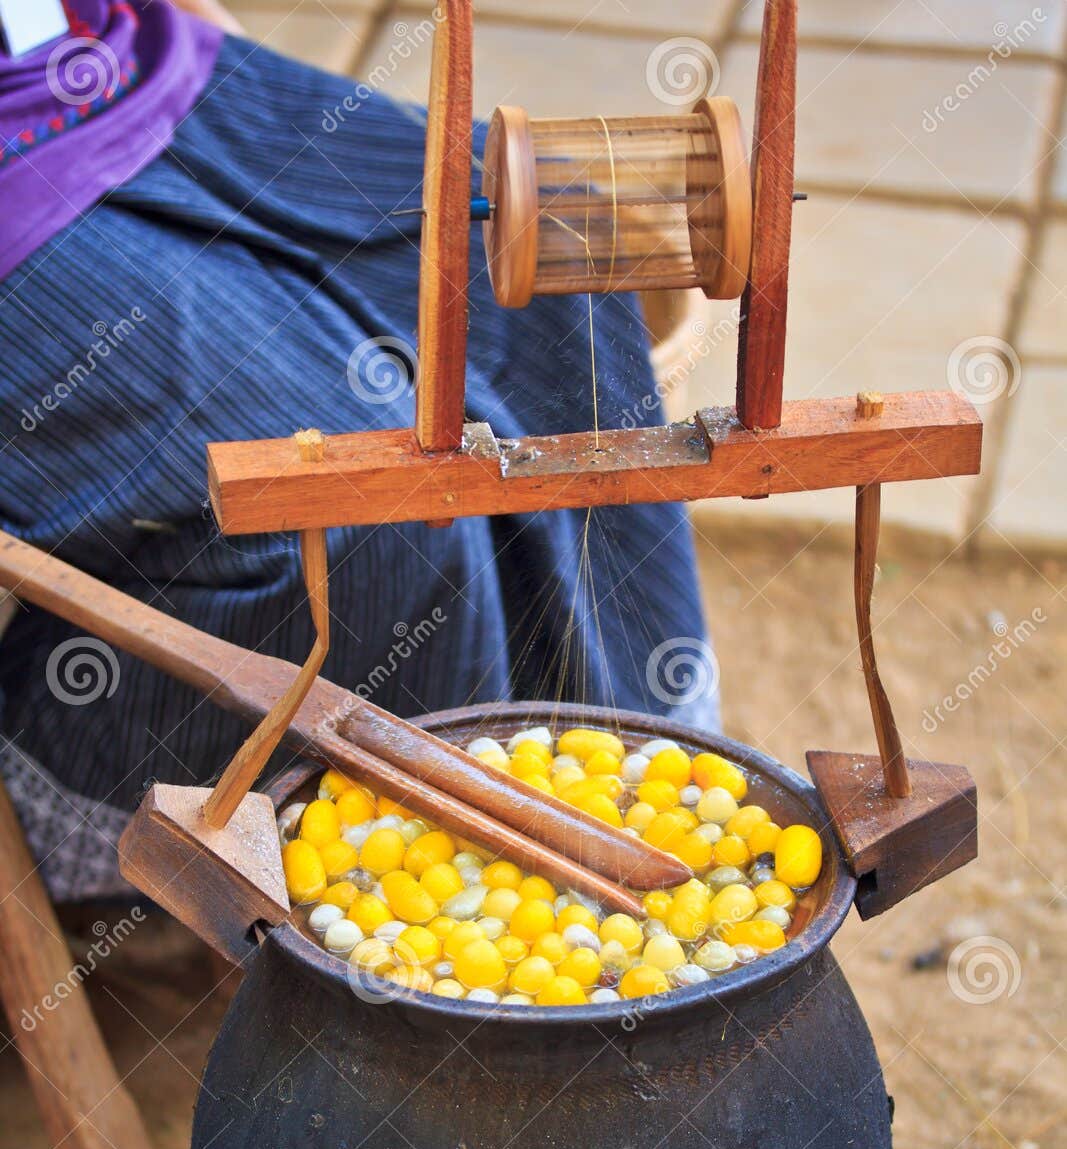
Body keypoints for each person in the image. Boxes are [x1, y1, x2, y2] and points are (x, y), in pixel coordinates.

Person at [0, 0, 716, 899]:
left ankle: (629, 791)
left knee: (546, 248)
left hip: (102, 58)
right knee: (355, 483)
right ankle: (406, 887)